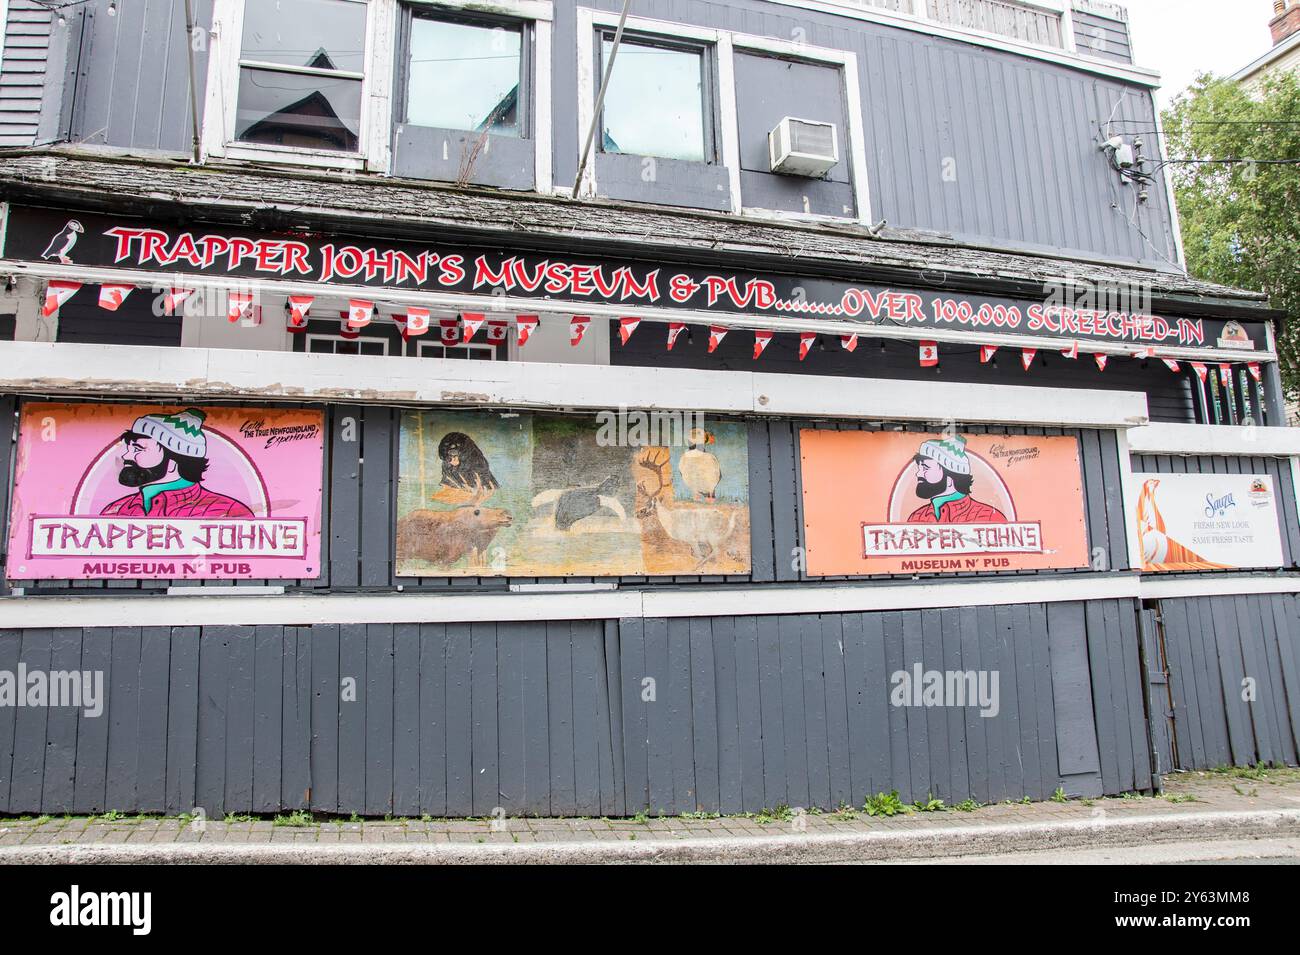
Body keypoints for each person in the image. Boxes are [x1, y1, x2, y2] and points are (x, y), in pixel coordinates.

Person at [100, 408, 254, 518]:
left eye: (138, 448)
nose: (127, 455)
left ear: (174, 460)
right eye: (129, 448)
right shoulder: (114, 512)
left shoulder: (228, 512)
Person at [905, 435, 1007, 524]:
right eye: (919, 468)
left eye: (926, 467)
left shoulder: (990, 518)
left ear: (950, 477)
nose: (919, 473)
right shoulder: (916, 518)